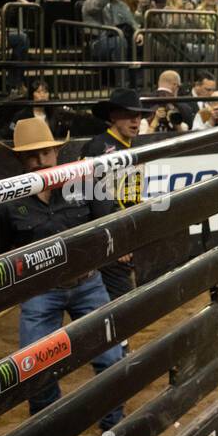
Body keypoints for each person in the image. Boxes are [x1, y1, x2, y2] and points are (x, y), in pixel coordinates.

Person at [0, 118, 124, 436]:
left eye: (46, 153)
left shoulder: (83, 181)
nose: (40, 161)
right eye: (31, 156)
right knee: (36, 368)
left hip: (88, 283)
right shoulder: (7, 203)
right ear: (20, 161)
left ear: (57, 151)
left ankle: (114, 429)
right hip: (40, 292)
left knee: (110, 358)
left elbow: (107, 222)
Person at [79, 89, 148, 307]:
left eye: (138, 115)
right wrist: (116, 238)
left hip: (123, 232)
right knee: (122, 303)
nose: (135, 120)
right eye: (129, 114)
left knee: (120, 300)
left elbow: (128, 196)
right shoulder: (99, 147)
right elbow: (90, 197)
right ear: (113, 116)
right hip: (108, 237)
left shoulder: (129, 147)